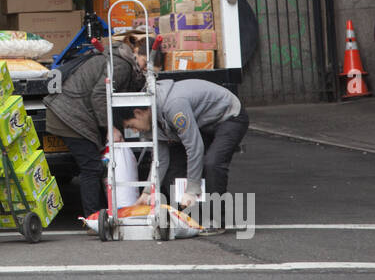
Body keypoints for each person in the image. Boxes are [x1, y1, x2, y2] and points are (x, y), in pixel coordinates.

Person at [121, 78, 248, 222]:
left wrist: (192, 190)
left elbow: (194, 147)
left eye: (131, 126)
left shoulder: (174, 106)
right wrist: (148, 191)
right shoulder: (153, 119)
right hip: (205, 123)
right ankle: (188, 218)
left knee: (213, 163)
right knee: (174, 167)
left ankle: (216, 219)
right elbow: (161, 159)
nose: (135, 130)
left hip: (229, 116)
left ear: (138, 113)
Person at [43, 42, 145, 218]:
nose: (145, 67)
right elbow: (99, 95)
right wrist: (110, 128)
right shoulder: (121, 65)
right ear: (137, 55)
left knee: (93, 165)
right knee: (91, 167)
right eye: (145, 62)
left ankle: (99, 215)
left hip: (67, 110)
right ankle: (93, 218)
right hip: (69, 115)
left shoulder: (115, 59)